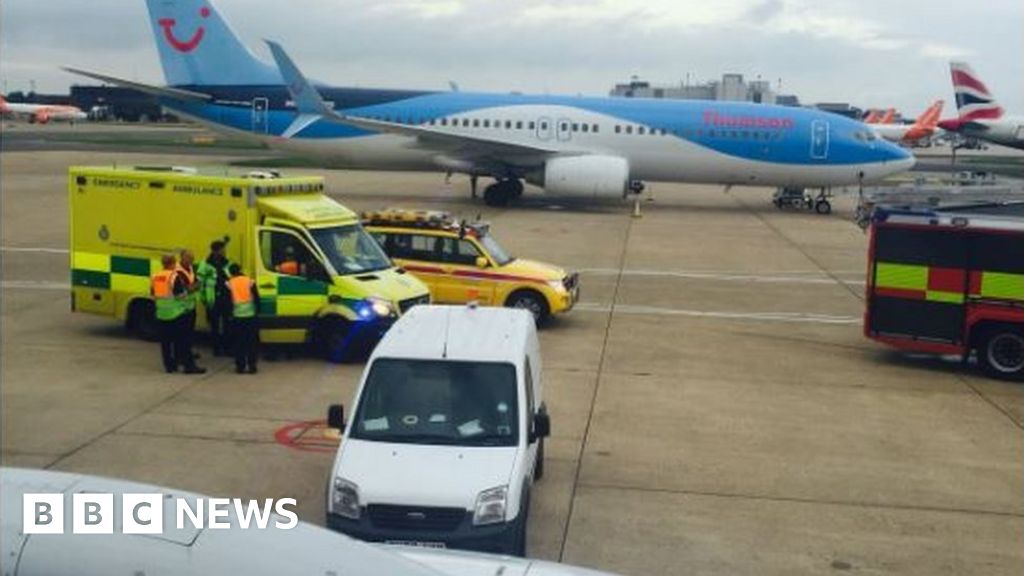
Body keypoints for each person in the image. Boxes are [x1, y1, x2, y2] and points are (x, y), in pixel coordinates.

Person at [196, 240, 232, 356]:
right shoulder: (205, 264)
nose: (224, 252)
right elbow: (200, 283)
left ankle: (227, 348)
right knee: (214, 326)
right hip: (213, 300)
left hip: (226, 298)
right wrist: (204, 299)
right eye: (222, 250)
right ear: (216, 251)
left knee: (227, 324)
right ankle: (216, 349)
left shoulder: (227, 263)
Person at [175, 249, 206, 374]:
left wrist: (195, 285)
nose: (191, 261)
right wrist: (195, 287)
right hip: (182, 309)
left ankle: (181, 358)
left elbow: (193, 282)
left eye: (192, 259)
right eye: (188, 259)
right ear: (182, 258)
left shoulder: (190, 268)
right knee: (184, 337)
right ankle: (188, 365)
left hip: (189, 307)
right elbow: (183, 290)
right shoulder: (178, 272)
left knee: (186, 336)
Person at [151, 254, 183, 373]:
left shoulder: (155, 276)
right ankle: (175, 363)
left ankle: (168, 366)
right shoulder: (174, 276)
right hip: (174, 312)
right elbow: (179, 295)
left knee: (165, 342)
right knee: (176, 340)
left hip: (161, 312)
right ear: (172, 263)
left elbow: (153, 293)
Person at [227, 264, 260, 374]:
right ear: (240, 270)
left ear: (231, 272)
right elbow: (257, 299)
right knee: (251, 342)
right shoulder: (249, 281)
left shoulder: (229, 284)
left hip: (237, 317)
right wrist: (257, 312)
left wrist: (229, 315)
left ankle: (240, 367)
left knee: (239, 343)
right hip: (250, 316)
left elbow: (227, 302)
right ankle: (252, 366)